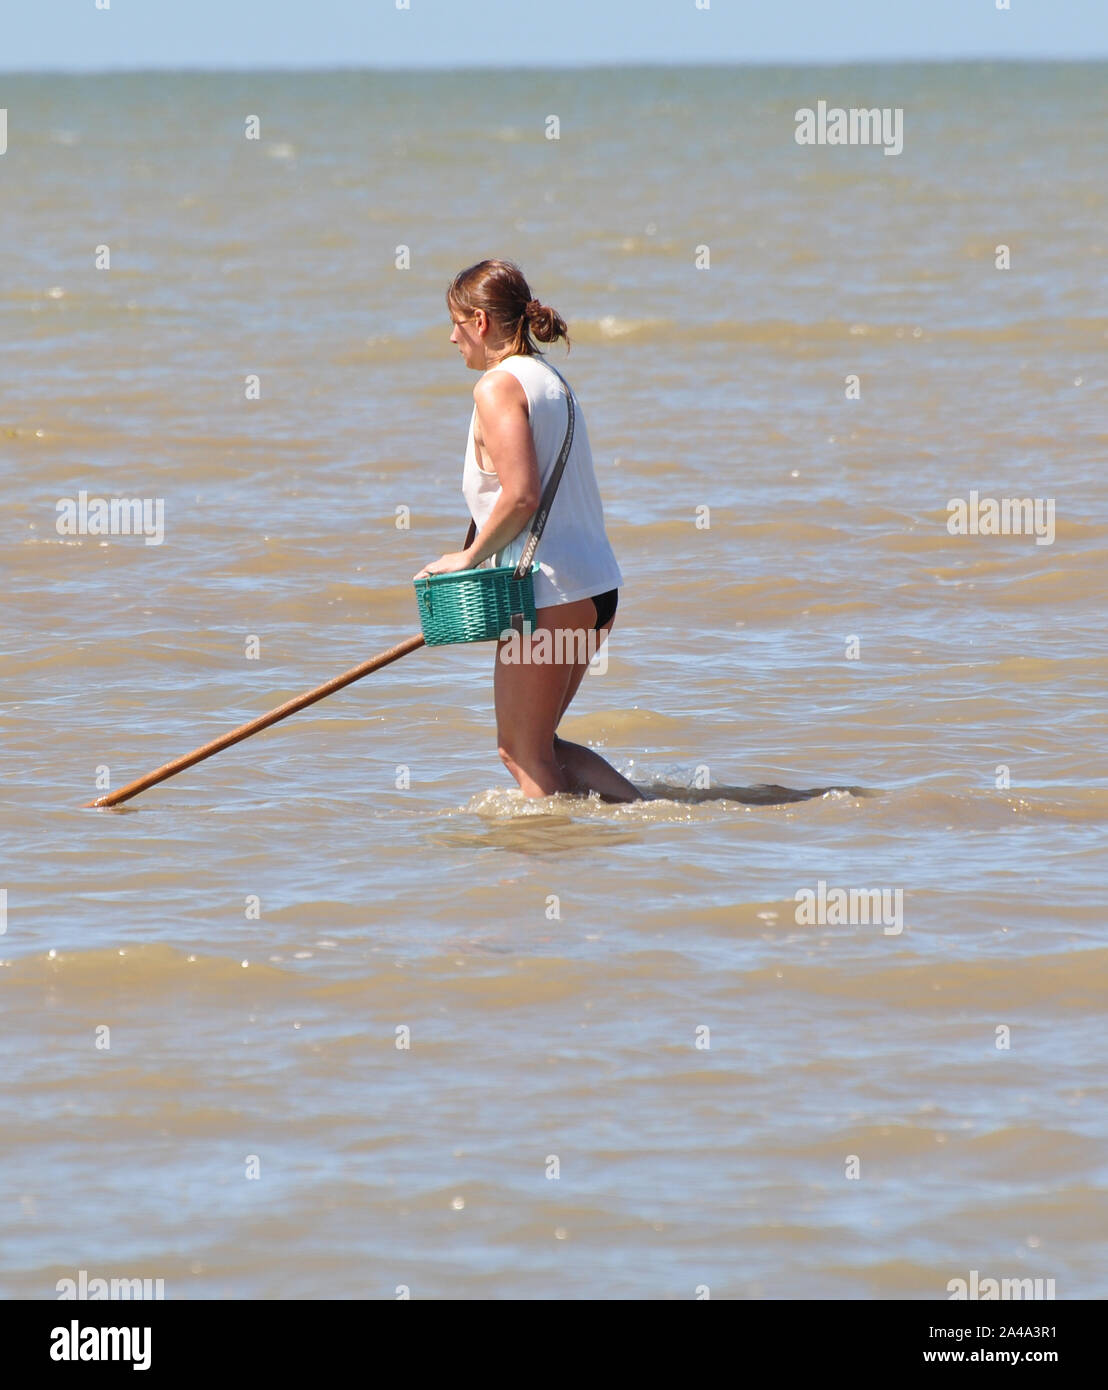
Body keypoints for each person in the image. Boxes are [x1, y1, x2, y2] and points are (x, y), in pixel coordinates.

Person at [414, 258, 644, 804]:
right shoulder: (550, 380)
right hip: (595, 590)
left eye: (455, 323)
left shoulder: (497, 387)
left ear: (480, 321)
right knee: (540, 746)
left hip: (549, 595)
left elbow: (522, 495)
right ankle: (650, 820)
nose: (451, 338)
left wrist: (464, 560)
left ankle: (545, 874)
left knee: (521, 751)